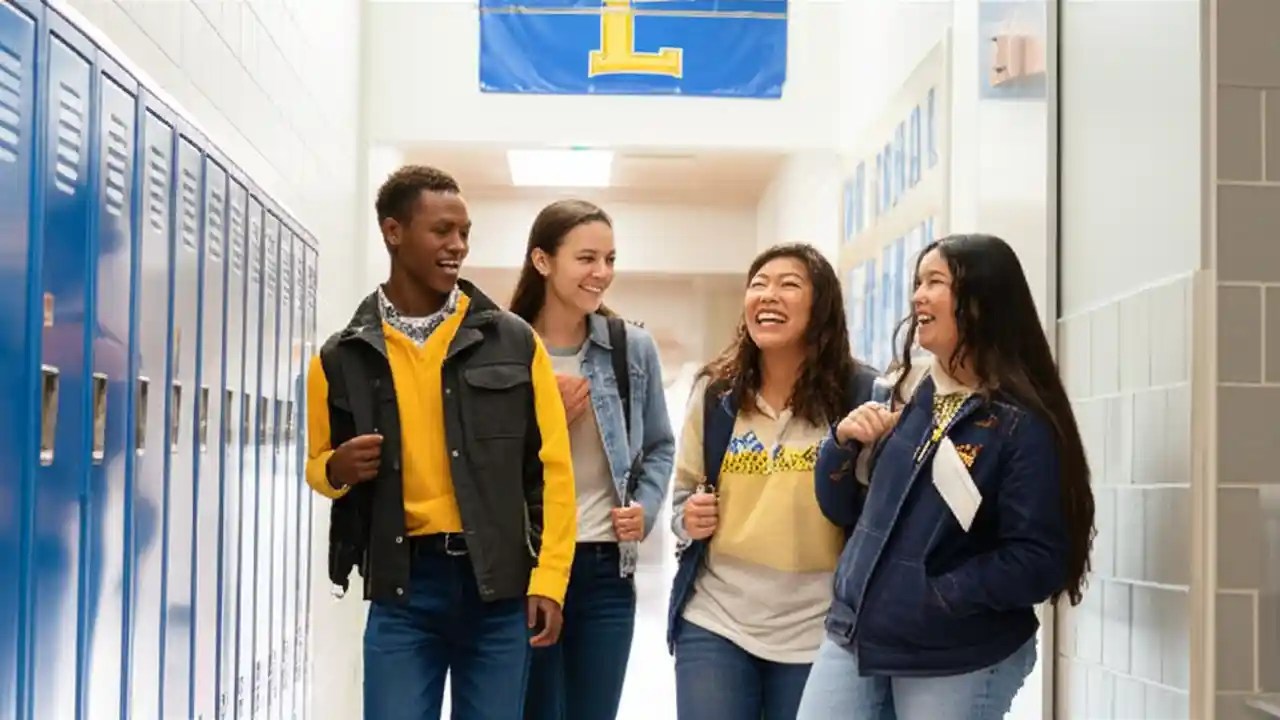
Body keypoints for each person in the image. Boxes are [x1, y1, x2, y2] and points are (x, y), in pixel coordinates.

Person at [303, 165, 577, 720]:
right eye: (442, 231)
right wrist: (337, 468)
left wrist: (550, 578)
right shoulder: (340, 357)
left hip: (497, 588)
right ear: (393, 232)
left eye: (464, 233)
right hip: (404, 591)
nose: (457, 246)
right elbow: (316, 466)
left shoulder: (513, 340)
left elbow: (551, 469)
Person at [797, 234, 1095, 720]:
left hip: (953, 652)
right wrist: (841, 447)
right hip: (858, 633)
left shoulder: (1021, 423)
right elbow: (845, 511)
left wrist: (936, 594)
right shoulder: (909, 396)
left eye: (934, 281)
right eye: (917, 282)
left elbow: (1040, 559)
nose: (917, 296)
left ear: (981, 301)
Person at [666, 243, 878, 720]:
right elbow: (682, 495)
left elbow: (875, 511)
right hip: (716, 616)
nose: (768, 295)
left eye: (788, 285)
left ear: (820, 305)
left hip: (820, 627)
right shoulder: (716, 393)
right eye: (758, 284)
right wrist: (687, 517)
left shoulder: (858, 394)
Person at [511, 199, 676, 720]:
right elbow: (478, 461)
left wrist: (645, 509)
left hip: (607, 567)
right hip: (527, 565)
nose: (601, 273)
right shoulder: (500, 349)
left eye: (609, 259)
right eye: (586, 258)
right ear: (542, 261)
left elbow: (659, 445)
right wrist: (544, 419)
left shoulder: (632, 349)